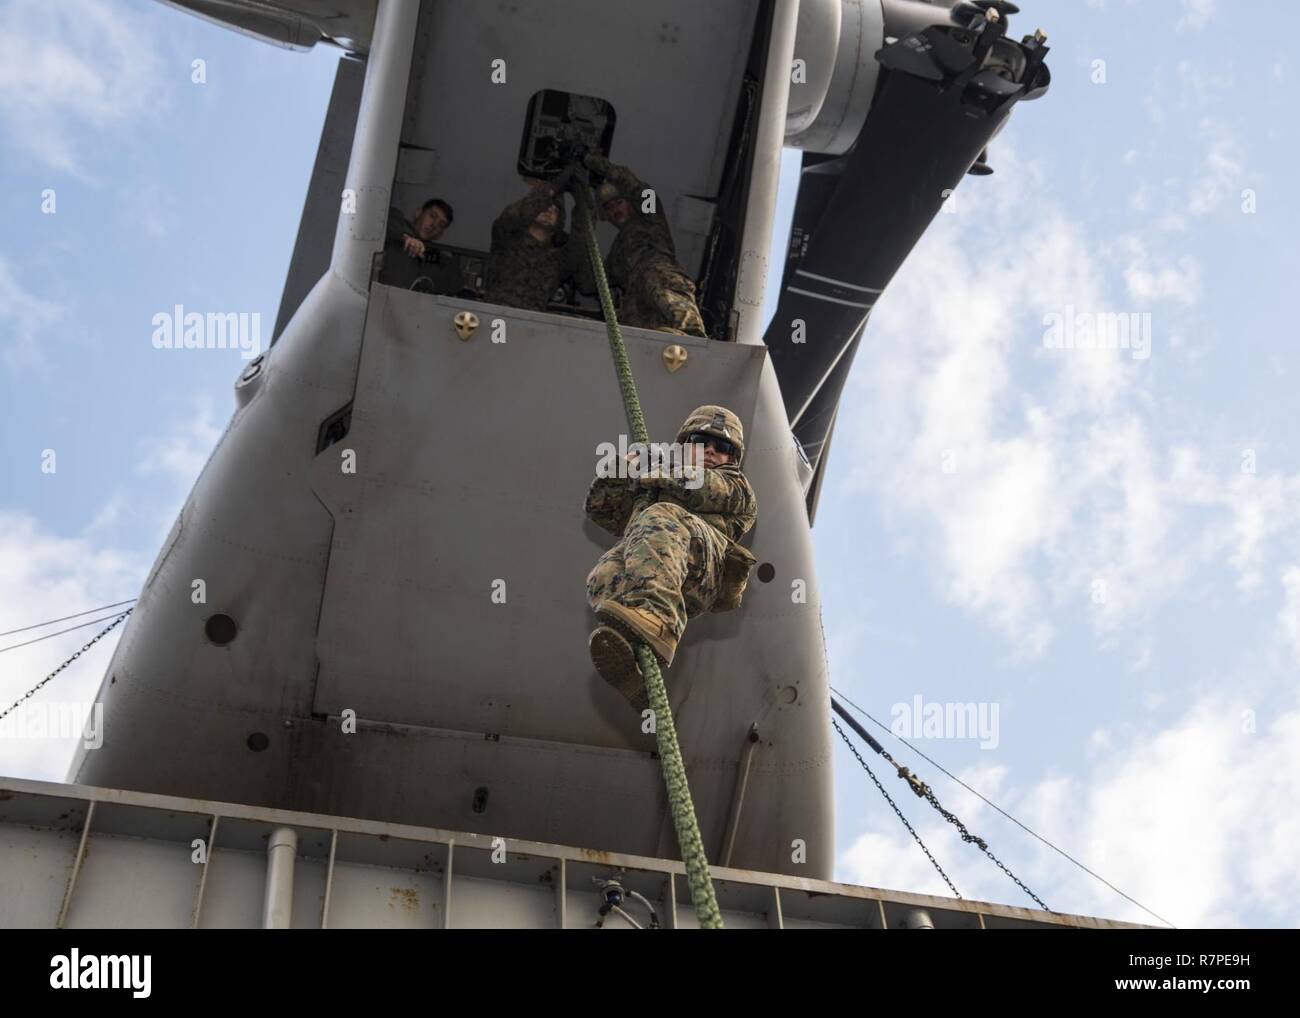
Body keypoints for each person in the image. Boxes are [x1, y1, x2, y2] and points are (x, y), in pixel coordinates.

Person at [585, 406, 757, 710]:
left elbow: (702, 487)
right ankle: (635, 665)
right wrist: (624, 467)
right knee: (606, 571)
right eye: (702, 441)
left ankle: (660, 623)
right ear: (684, 444)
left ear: (732, 458)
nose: (712, 451)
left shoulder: (736, 487)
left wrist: (658, 469)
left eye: (724, 448)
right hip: (659, 568)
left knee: (662, 514)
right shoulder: (656, 480)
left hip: (703, 568)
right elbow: (600, 510)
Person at [582, 154, 707, 338]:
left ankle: (692, 337)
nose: (615, 210)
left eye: (619, 202)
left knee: (664, 287)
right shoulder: (616, 252)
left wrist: (591, 160)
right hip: (635, 297)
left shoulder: (650, 215)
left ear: (631, 202)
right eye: (609, 208)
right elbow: (591, 282)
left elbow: (640, 189)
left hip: (657, 271)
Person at [484, 170, 590, 312]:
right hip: (495, 317)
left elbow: (582, 237)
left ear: (559, 221)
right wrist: (554, 187)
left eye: (555, 209)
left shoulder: (559, 260)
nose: (549, 210)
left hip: (530, 325)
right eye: (546, 205)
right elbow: (514, 215)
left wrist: (582, 196)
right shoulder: (506, 238)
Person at [385, 198, 461, 294]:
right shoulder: (396, 223)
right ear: (418, 213)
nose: (434, 225)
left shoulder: (436, 258)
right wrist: (405, 236)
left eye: (441, 225)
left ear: (440, 234)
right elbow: (387, 219)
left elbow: (455, 285)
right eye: (432, 216)